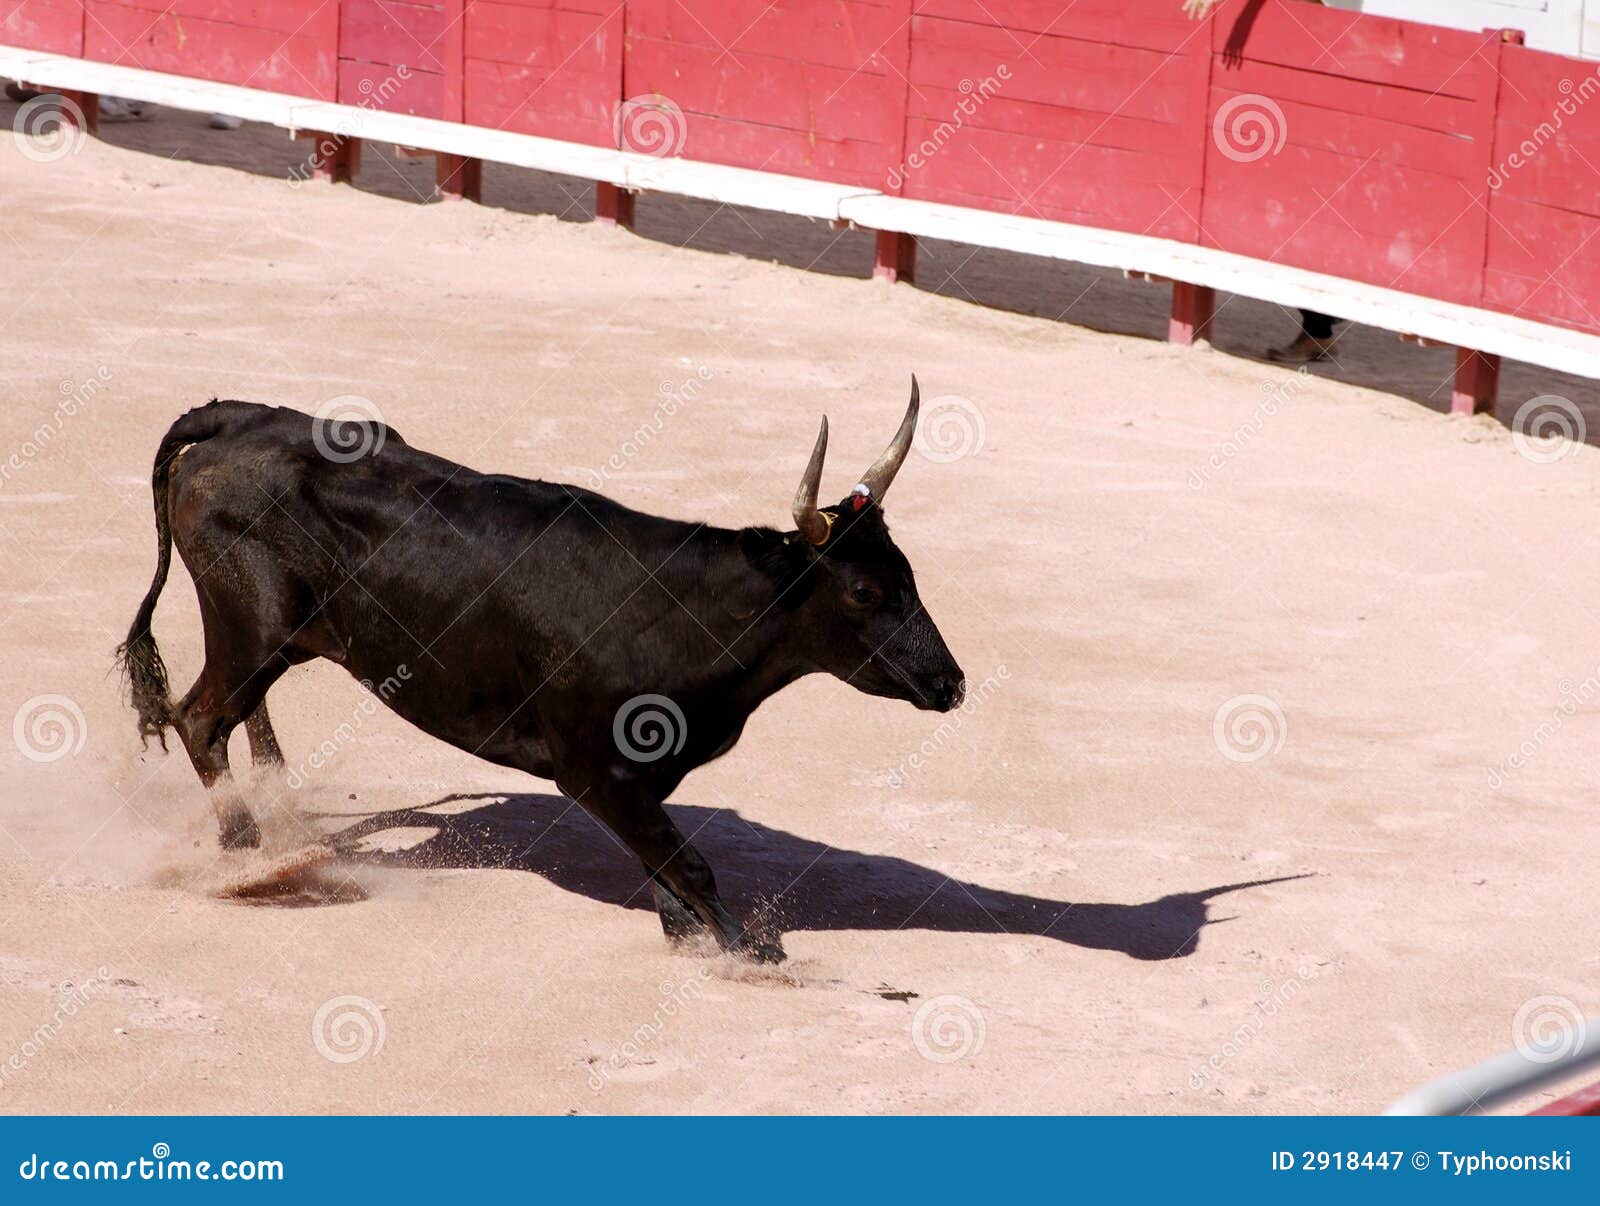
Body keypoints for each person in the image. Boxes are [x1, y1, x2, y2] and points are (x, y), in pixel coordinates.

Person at [1184, 0, 1344, 363]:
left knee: (1295, 212)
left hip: (1293, 97)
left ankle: (1319, 329)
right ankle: (1318, 330)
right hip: (1273, 99)